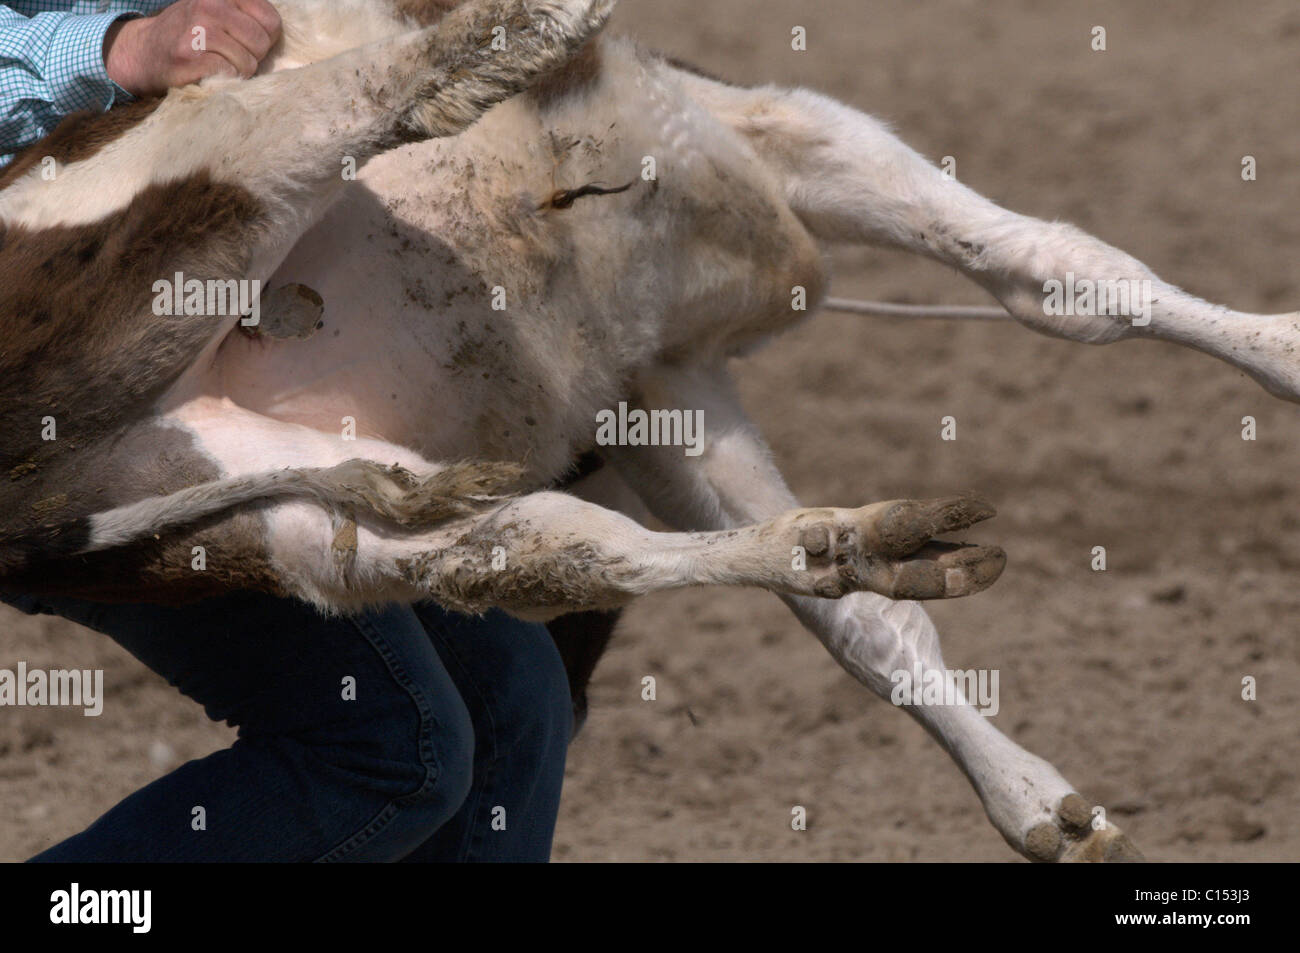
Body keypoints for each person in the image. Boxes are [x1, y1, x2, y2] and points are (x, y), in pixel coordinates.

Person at [0, 0, 574, 862]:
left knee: (514, 698)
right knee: (398, 746)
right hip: (51, 366)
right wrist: (119, 46)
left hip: (208, 293)